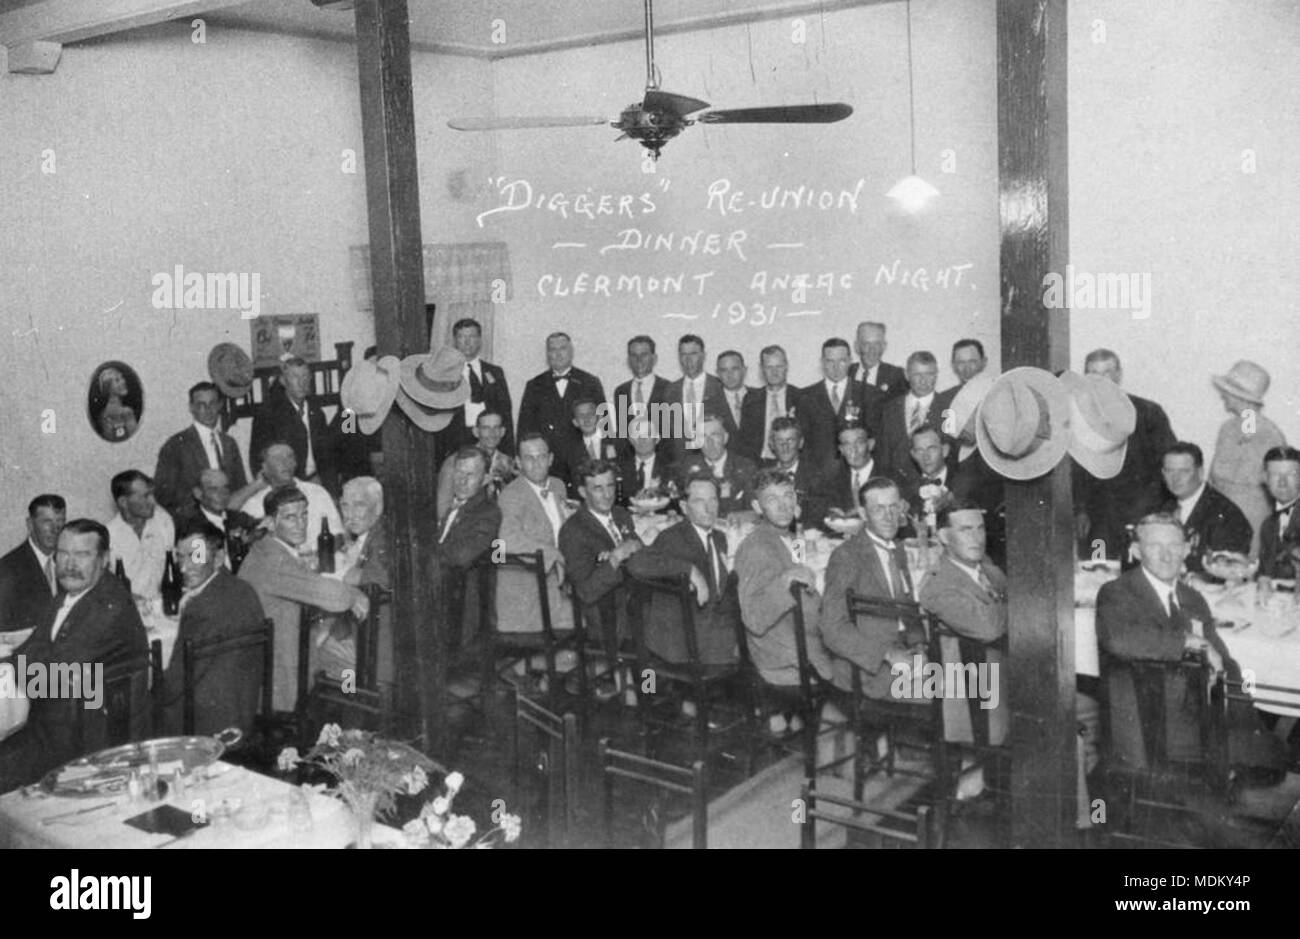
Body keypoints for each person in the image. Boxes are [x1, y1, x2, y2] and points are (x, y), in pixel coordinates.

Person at [1095, 514, 1283, 774]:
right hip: (1149, 731)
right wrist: (1190, 642)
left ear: (1186, 549)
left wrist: (1247, 723)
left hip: (1201, 722)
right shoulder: (1117, 592)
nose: (1166, 555)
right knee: (1276, 755)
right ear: (1137, 551)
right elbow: (1119, 639)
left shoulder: (1192, 598)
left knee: (1276, 749)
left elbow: (1224, 662)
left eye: (1174, 546)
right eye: (1154, 546)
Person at [0, 520, 148, 790]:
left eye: (82, 555)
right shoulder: (72, 595)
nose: (69, 564)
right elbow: (36, 648)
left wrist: (18, 667)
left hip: (82, 741)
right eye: (63, 553)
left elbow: (51, 674)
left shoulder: (109, 606)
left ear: (103, 559)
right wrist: (15, 663)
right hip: (61, 721)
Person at [237, 487, 368, 712]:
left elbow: (310, 589)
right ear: (270, 522)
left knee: (348, 662)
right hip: (281, 665)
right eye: (290, 517)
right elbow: (335, 597)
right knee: (351, 667)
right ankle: (349, 716)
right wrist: (354, 593)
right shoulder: (272, 560)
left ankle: (346, 710)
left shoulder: (271, 549)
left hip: (292, 642)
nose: (301, 523)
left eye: (304, 514)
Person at [820, 478, 924, 701]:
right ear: (863, 513)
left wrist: (920, 646)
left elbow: (907, 609)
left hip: (904, 651)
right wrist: (887, 654)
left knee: (976, 679)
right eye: (878, 509)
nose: (889, 517)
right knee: (961, 693)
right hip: (869, 669)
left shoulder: (897, 548)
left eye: (893, 507)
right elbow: (831, 628)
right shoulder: (846, 556)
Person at [159, 522, 266, 735]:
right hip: (244, 707)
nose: (183, 567)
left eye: (195, 556)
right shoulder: (244, 589)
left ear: (218, 558)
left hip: (204, 722)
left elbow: (174, 685)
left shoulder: (199, 608)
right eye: (180, 556)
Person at [735, 469, 835, 692]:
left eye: (788, 496)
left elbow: (799, 562)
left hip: (797, 635)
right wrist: (784, 580)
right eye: (772, 499)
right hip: (787, 655)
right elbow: (753, 618)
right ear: (757, 507)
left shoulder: (787, 535)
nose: (783, 505)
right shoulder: (757, 548)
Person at [918, 504, 1009, 750]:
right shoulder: (938, 583)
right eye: (966, 530)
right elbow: (988, 627)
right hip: (974, 690)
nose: (977, 538)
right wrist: (1025, 605)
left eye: (980, 529)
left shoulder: (991, 572)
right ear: (944, 537)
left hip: (1004, 671)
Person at [626, 473, 739, 666]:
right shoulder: (674, 538)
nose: (709, 508)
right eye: (699, 501)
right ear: (684, 507)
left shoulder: (718, 536)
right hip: (685, 641)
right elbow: (636, 562)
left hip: (706, 626)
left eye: (713, 500)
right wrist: (690, 570)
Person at [1075, 349, 1177, 560]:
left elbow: (1170, 464)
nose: (1100, 379)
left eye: (1107, 372)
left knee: (1141, 576)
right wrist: (1079, 509)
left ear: (1119, 375)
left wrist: (1161, 513)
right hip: (1097, 524)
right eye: (1093, 373)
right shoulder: (1079, 416)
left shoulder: (1148, 412)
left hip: (1141, 518)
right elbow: (1075, 469)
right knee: (1098, 571)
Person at [558, 459, 643, 686]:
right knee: (664, 620)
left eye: (610, 486)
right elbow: (586, 591)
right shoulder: (573, 531)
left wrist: (635, 547)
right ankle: (648, 692)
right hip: (605, 614)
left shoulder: (621, 514)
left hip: (629, 599)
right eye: (598, 488)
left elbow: (639, 551)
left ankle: (656, 689)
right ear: (582, 492)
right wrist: (615, 558)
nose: (607, 495)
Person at [316, 476, 394, 687]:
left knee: (311, 646)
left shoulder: (385, 535)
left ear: (378, 507)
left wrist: (346, 573)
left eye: (359, 505)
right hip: (360, 627)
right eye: (344, 506)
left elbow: (380, 578)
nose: (349, 514)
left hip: (373, 638)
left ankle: (347, 702)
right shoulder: (368, 533)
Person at [494, 433, 575, 634]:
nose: (536, 463)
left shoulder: (558, 485)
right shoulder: (510, 496)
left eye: (541, 456)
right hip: (527, 586)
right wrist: (553, 554)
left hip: (560, 580)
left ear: (551, 459)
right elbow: (505, 541)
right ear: (519, 463)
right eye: (529, 458)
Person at [1208, 361, 1288, 558]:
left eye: (1226, 391)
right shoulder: (1228, 428)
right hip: (1220, 516)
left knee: (1243, 568)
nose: (1222, 396)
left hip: (1250, 519)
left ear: (1239, 396)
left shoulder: (1267, 434)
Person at [153, 381, 248, 516]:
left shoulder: (229, 443)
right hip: (194, 520)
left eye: (212, 403)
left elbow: (240, 486)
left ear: (220, 405)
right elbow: (163, 494)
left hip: (230, 517)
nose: (208, 410)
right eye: (201, 405)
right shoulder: (176, 445)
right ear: (191, 408)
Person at [1159, 442, 1252, 573]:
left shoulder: (1227, 515)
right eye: (1169, 471)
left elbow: (1224, 573)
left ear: (1200, 472)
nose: (1175, 478)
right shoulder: (1163, 509)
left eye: (1184, 471)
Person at [230, 442, 343, 548]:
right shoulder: (255, 504)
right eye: (278, 459)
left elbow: (338, 535)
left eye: (290, 457)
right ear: (264, 467)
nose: (286, 463)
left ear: (295, 463)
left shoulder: (317, 493)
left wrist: (318, 556)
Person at [250, 355, 335, 494]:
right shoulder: (268, 414)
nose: (302, 383)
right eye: (295, 377)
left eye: (305, 377)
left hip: (316, 483)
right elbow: (259, 462)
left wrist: (330, 490)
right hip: (284, 487)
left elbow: (326, 458)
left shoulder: (317, 412)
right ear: (283, 381)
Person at [517, 332, 606, 459]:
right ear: (547, 354)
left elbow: (604, 422)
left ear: (571, 351)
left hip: (581, 455)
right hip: (547, 457)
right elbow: (525, 427)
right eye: (553, 349)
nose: (558, 354)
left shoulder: (590, 382)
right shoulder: (534, 385)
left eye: (563, 348)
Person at [798, 337, 884, 469]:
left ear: (850, 361)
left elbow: (875, 439)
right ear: (822, 363)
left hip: (857, 471)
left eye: (842, 361)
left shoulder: (870, 394)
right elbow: (803, 443)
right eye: (830, 361)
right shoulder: (805, 396)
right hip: (818, 474)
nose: (836, 367)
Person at [874, 351, 946, 481]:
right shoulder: (890, 408)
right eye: (917, 374)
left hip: (936, 488)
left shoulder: (948, 408)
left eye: (929, 374)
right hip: (898, 488)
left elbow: (950, 450)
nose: (923, 380)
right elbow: (883, 454)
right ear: (907, 375)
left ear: (936, 375)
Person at [106, 470, 175, 602]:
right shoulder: (109, 536)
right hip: (128, 610)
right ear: (123, 502)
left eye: (152, 494)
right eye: (145, 496)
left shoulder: (163, 521)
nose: (153, 501)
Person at [435, 409, 515, 520]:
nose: (492, 434)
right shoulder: (456, 461)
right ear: (476, 432)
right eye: (486, 428)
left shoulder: (508, 463)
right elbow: (443, 509)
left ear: (503, 431)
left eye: (496, 428)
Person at [0, 494, 65, 630]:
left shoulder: (67, 561)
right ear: (30, 524)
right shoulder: (8, 568)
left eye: (60, 521)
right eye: (47, 522)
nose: (55, 529)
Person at [450, 317, 514, 454]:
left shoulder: (495, 372)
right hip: (457, 443)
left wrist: (509, 451)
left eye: (472, 336)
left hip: (491, 442)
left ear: (479, 340)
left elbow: (505, 413)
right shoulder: (446, 374)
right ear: (455, 341)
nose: (467, 342)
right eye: (461, 337)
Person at [675, 412, 757, 516]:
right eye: (703, 436)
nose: (710, 442)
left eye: (715, 434)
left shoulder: (745, 467)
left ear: (726, 438)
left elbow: (754, 512)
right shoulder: (687, 467)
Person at [663, 334, 727, 461]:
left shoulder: (719, 386)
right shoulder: (670, 391)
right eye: (683, 355)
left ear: (703, 355)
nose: (688, 360)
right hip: (680, 462)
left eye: (693, 354)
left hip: (713, 459)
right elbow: (667, 434)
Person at [759, 417, 827, 528]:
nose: (785, 447)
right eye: (779, 441)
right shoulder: (764, 474)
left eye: (790, 440)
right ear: (771, 444)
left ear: (800, 443)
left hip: (803, 539)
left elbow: (819, 519)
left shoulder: (816, 476)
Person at [612, 335, 671, 460]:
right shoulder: (621, 391)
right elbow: (622, 432)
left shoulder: (669, 388)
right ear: (628, 360)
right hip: (630, 462)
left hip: (662, 461)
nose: (639, 360)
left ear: (654, 359)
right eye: (634, 355)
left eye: (644, 355)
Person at [740, 344, 802, 462]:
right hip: (760, 464)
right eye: (769, 367)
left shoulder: (801, 397)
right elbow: (745, 441)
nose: (774, 372)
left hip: (793, 463)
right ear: (761, 368)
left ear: (786, 366)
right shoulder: (750, 400)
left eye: (779, 366)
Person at [554, 398, 618, 499]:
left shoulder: (616, 441)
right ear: (575, 422)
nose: (587, 419)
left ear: (599, 416)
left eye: (590, 414)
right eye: (581, 416)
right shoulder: (569, 451)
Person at [897, 426, 958, 529]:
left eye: (931, 448)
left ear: (945, 450)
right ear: (913, 455)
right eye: (920, 450)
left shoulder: (962, 483)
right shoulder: (905, 492)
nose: (926, 456)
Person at [817, 423, 878, 519]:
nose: (853, 450)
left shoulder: (892, 478)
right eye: (847, 444)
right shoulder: (832, 481)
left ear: (870, 444)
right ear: (841, 450)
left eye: (859, 442)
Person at [1258, 446, 1300, 581]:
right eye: (1275, 474)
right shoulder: (1268, 525)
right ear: (1265, 478)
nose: (1283, 482)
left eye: (1291, 475)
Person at [617, 412, 674, 506]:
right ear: (630, 440)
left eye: (647, 435)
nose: (642, 440)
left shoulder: (670, 468)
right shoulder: (620, 468)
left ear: (657, 439)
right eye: (636, 435)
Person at [847, 321, 907, 398]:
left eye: (877, 344)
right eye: (866, 344)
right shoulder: (846, 373)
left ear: (884, 346)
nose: (872, 350)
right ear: (856, 347)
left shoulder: (897, 377)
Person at [933, 339, 988, 418]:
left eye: (972, 362)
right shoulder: (943, 400)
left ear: (984, 362)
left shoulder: (999, 394)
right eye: (961, 362)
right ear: (953, 366)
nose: (967, 368)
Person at [90, 366, 139, 441]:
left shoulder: (102, 415)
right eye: (117, 380)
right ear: (108, 388)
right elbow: (137, 442)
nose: (123, 382)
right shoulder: (127, 412)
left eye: (122, 378)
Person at [716, 350, 756, 443]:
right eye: (724, 370)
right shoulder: (708, 404)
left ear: (744, 370)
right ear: (717, 373)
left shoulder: (760, 397)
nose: (729, 375)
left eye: (734, 369)